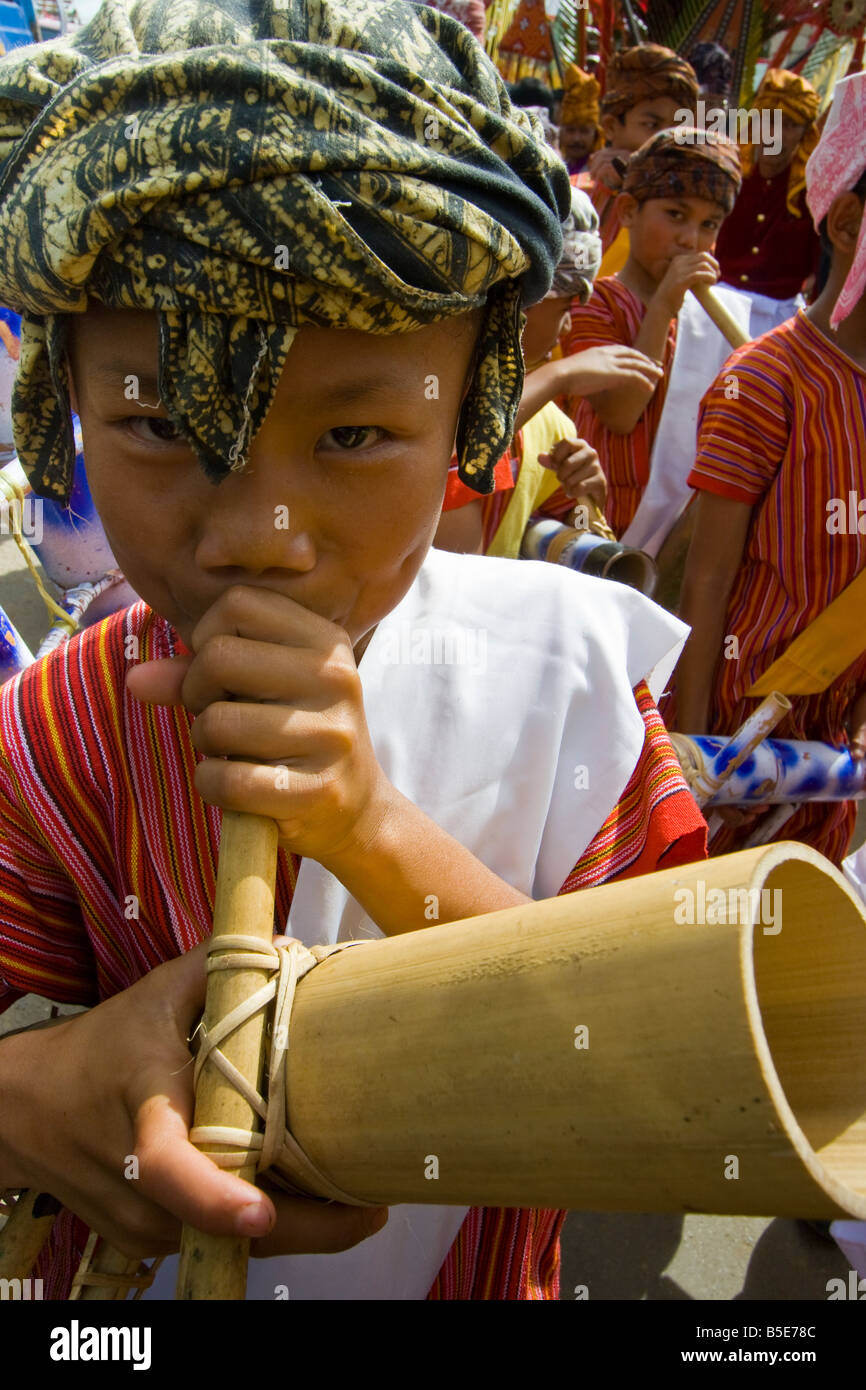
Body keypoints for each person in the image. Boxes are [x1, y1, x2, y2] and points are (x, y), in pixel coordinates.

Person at [0, 0, 707, 1301]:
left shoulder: (573, 695)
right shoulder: (53, 734)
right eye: (160, 423)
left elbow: (668, 1080)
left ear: (474, 412)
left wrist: (370, 825)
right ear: (63, 407)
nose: (257, 535)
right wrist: (37, 1089)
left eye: (348, 437)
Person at [664, 71, 866, 866]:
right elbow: (704, 585)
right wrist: (687, 766)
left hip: (829, 771)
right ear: (848, 220)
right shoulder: (769, 379)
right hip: (731, 756)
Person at [434, 186, 660, 552]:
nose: (567, 327)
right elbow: (451, 563)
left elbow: (570, 542)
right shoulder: (432, 390)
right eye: (565, 308)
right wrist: (559, 376)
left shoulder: (549, 423)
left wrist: (587, 495)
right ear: (520, 300)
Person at [557, 128, 741, 538]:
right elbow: (620, 414)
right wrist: (663, 307)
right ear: (627, 211)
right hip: (601, 518)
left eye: (709, 224)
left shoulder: (712, 317)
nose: (690, 239)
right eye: (675, 214)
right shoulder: (597, 301)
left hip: (674, 529)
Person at [715, 68, 822, 338]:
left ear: (805, 133)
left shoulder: (814, 192)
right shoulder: (728, 172)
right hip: (715, 306)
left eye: (790, 125)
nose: (777, 134)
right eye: (770, 121)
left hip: (778, 324)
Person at [577, 43, 699, 276]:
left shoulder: (690, 212)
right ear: (611, 127)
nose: (666, 141)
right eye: (651, 125)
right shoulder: (570, 194)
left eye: (678, 129)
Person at [557, 64, 603, 176]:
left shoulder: (601, 171)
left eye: (584, 131)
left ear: (596, 134)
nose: (576, 139)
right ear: (560, 131)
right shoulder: (554, 167)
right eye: (570, 130)